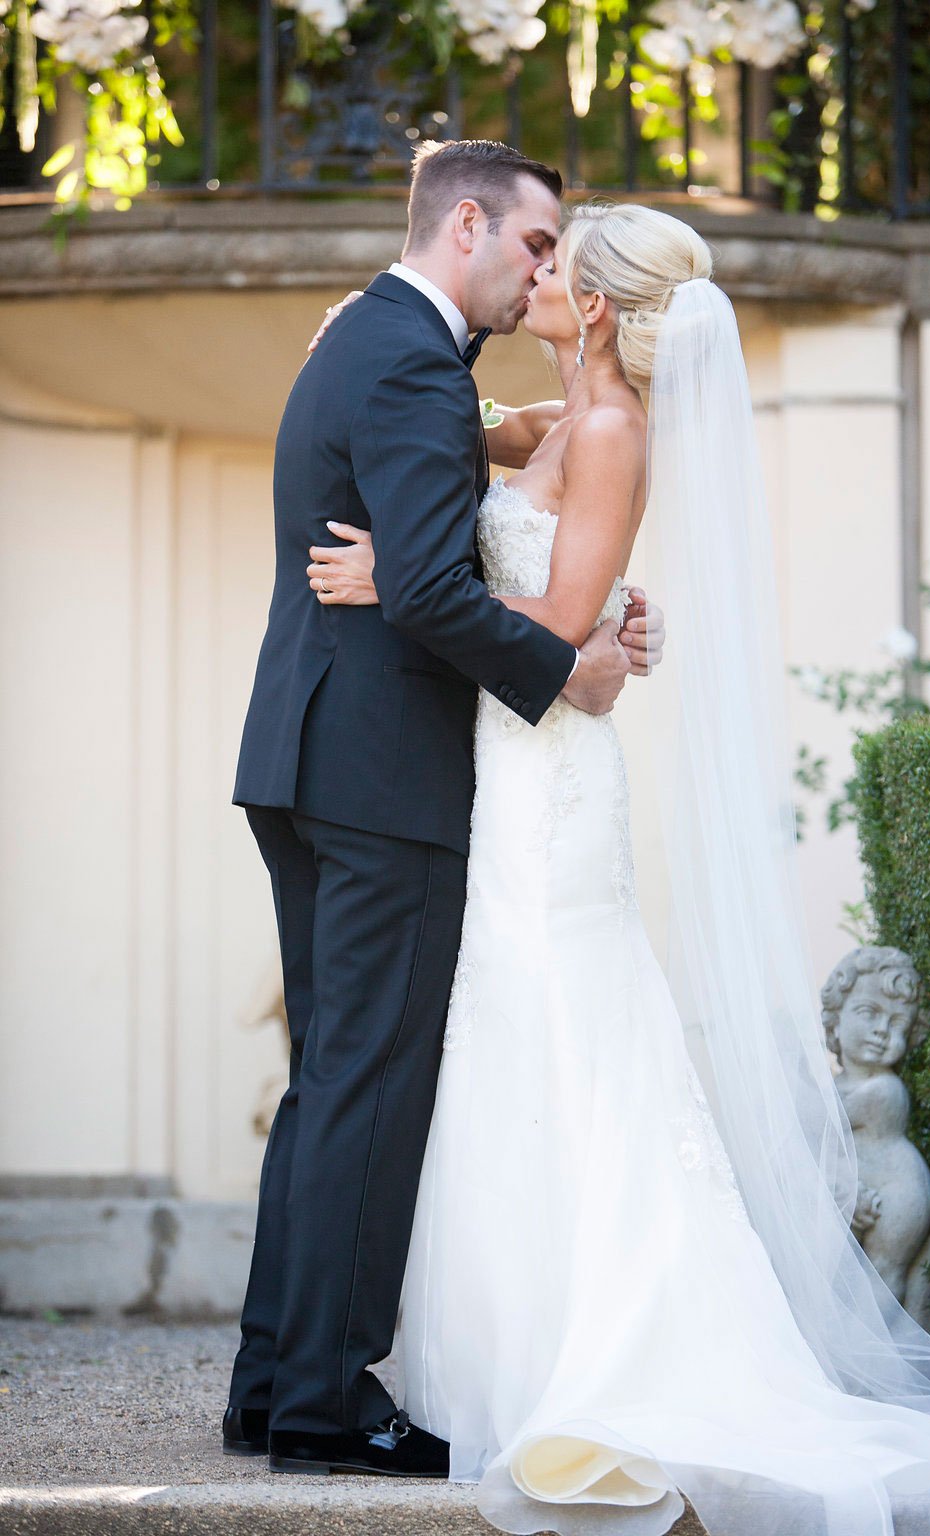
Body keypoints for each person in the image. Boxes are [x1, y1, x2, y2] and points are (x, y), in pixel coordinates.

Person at [307, 202, 930, 1536]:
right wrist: (363, 366)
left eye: (556, 264)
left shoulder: (617, 433)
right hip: (504, 764)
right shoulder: (556, 419)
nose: (534, 273)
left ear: (592, 308)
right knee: (505, 1042)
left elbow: (566, 624)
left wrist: (396, 587)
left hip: (551, 783)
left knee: (564, 1033)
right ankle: (488, 1345)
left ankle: (600, 1350)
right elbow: (453, 446)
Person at [224, 140, 666, 1480]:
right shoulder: (410, 354)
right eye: (534, 245)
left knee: (327, 1082)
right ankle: (325, 1403)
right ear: (464, 222)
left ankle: (273, 1381)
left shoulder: (363, 336)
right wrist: (568, 666)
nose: (545, 269)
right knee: (370, 1081)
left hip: (304, 756)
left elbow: (447, 514)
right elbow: (420, 583)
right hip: (384, 772)